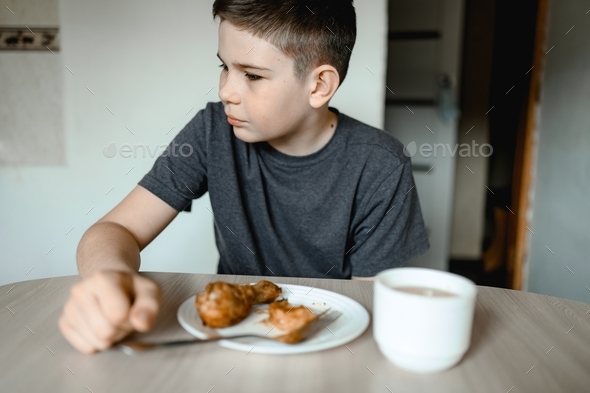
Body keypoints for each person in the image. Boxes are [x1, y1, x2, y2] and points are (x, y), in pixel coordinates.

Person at [59, 0, 429, 354]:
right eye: (224, 67)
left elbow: (370, 305)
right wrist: (108, 276)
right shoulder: (211, 132)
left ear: (318, 86)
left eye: (251, 75)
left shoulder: (381, 164)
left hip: (327, 341)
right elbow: (113, 230)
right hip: (229, 342)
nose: (225, 91)